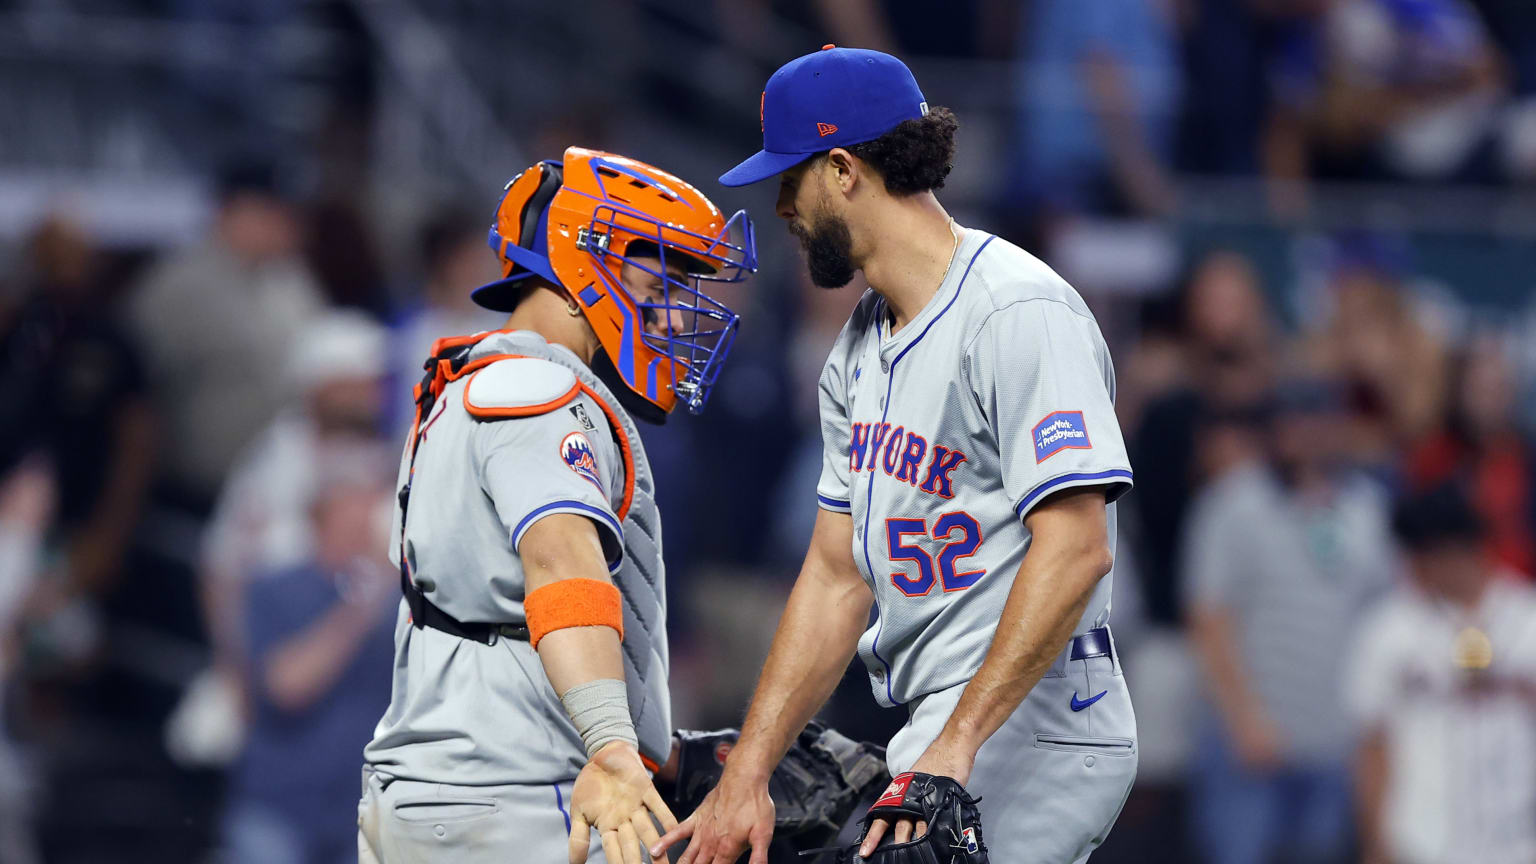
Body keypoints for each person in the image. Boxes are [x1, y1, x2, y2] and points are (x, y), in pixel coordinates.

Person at [658, 47, 1137, 864]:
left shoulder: (1015, 310)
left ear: (843, 169)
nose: (781, 205)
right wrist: (751, 772)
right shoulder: (856, 345)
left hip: (1038, 718)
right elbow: (837, 576)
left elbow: (1077, 547)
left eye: (790, 175)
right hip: (944, 724)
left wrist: (955, 746)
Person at [357, 147, 756, 864]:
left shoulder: (479, 380)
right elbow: (560, 566)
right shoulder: (533, 396)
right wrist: (610, 749)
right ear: (583, 262)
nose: (672, 315)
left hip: (453, 793)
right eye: (659, 281)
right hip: (518, 798)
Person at [1182, 379, 1397, 864]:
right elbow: (1208, 619)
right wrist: (1243, 720)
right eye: (1296, 421)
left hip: (1336, 741)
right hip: (1251, 740)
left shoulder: (1365, 505)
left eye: (1321, 420)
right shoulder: (1233, 502)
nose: (1309, 433)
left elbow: (1382, 620)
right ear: (1273, 430)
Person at [1345, 482, 1536, 864]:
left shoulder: (1528, 618)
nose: (1413, 569)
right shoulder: (1388, 629)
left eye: (1423, 556)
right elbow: (1371, 743)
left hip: (1519, 839)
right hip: (1423, 841)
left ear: (1462, 550)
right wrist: (1375, 840)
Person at [222, 453, 397, 864]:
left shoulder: (398, 604)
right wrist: (361, 606)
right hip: (278, 811)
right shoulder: (275, 589)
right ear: (324, 512)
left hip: (360, 815)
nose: (370, 517)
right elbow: (286, 685)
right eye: (358, 501)